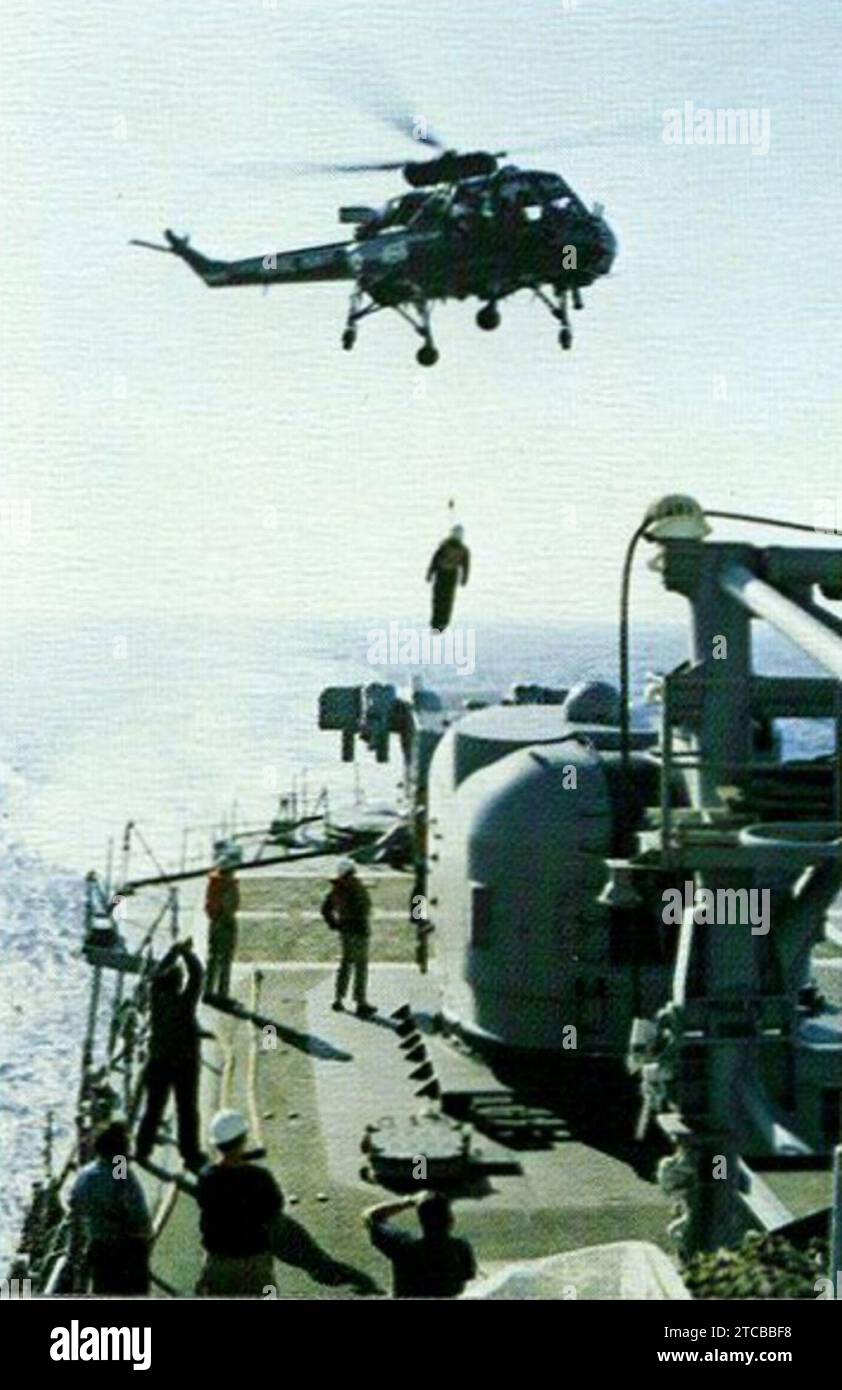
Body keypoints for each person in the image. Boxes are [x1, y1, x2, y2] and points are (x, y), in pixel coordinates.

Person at [135, 937, 205, 1173]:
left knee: (153, 1107)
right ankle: (191, 1155)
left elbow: (156, 973)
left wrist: (173, 951)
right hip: (184, 1063)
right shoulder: (184, 1003)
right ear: (178, 983)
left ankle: (141, 1149)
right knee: (186, 1109)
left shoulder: (156, 998)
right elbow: (197, 975)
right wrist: (186, 952)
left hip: (158, 1061)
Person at [196, 1110, 284, 1296]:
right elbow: (275, 1209)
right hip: (256, 1258)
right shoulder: (260, 1177)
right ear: (243, 1140)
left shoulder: (207, 1178)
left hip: (220, 1260)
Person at [69, 1119, 151, 1295]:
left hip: (101, 1250)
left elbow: (76, 1207)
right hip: (129, 1250)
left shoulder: (85, 1176)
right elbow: (135, 1209)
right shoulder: (119, 1172)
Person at [363, 1191, 476, 1298]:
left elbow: (371, 1217)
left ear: (422, 1220)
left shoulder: (403, 1245)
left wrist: (409, 1201)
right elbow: (467, 1278)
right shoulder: (461, 1248)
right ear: (451, 1220)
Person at [321, 859, 377, 1017]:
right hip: (359, 931)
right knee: (360, 967)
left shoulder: (336, 889)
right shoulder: (355, 887)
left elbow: (325, 909)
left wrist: (335, 924)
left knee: (346, 964)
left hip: (345, 931)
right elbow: (364, 907)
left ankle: (338, 998)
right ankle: (360, 1002)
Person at [204, 854, 241, 1003]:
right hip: (225, 924)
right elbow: (229, 906)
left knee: (213, 958)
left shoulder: (213, 885)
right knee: (225, 960)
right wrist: (227, 921)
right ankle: (222, 994)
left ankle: (208, 990)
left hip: (214, 924)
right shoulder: (228, 885)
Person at [426, 525, 470, 633]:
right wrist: (464, 578)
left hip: (444, 574)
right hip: (448, 575)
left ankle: (438, 622)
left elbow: (435, 560)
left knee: (440, 598)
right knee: (445, 599)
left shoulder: (446, 546)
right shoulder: (458, 549)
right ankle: (440, 622)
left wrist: (430, 573)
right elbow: (465, 566)